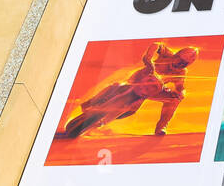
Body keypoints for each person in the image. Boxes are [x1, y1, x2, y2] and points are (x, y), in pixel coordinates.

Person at [61, 42, 197, 138]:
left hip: (151, 90)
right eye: (179, 58)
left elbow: (180, 88)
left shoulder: (181, 73)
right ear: (177, 54)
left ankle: (161, 127)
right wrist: (148, 58)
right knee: (115, 86)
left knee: (172, 100)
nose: (179, 63)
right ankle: (92, 102)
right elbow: (156, 45)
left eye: (183, 62)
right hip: (140, 78)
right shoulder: (167, 53)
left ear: (187, 65)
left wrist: (180, 93)